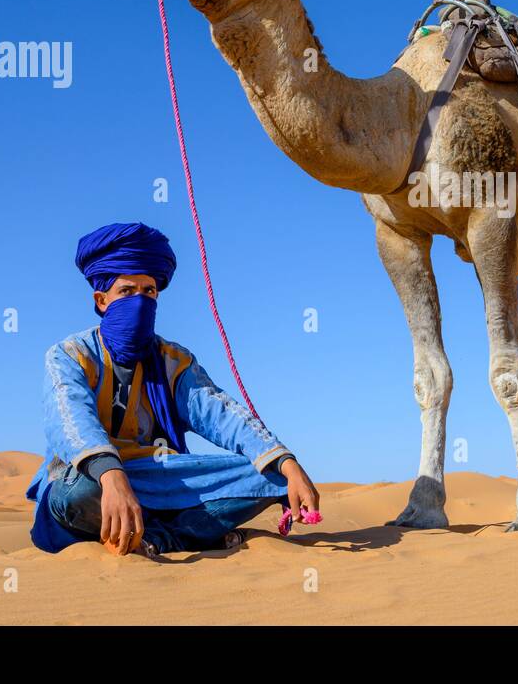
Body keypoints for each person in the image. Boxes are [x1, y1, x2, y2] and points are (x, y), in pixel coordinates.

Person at [25, 222, 319, 557]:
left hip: (157, 477)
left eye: (148, 291)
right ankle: (179, 533)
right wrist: (110, 475)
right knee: (80, 492)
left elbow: (220, 413)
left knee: (271, 477)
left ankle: (160, 539)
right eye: (126, 291)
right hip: (87, 482)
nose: (139, 301)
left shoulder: (172, 360)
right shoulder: (70, 355)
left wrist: (284, 461)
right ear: (102, 300)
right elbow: (71, 422)